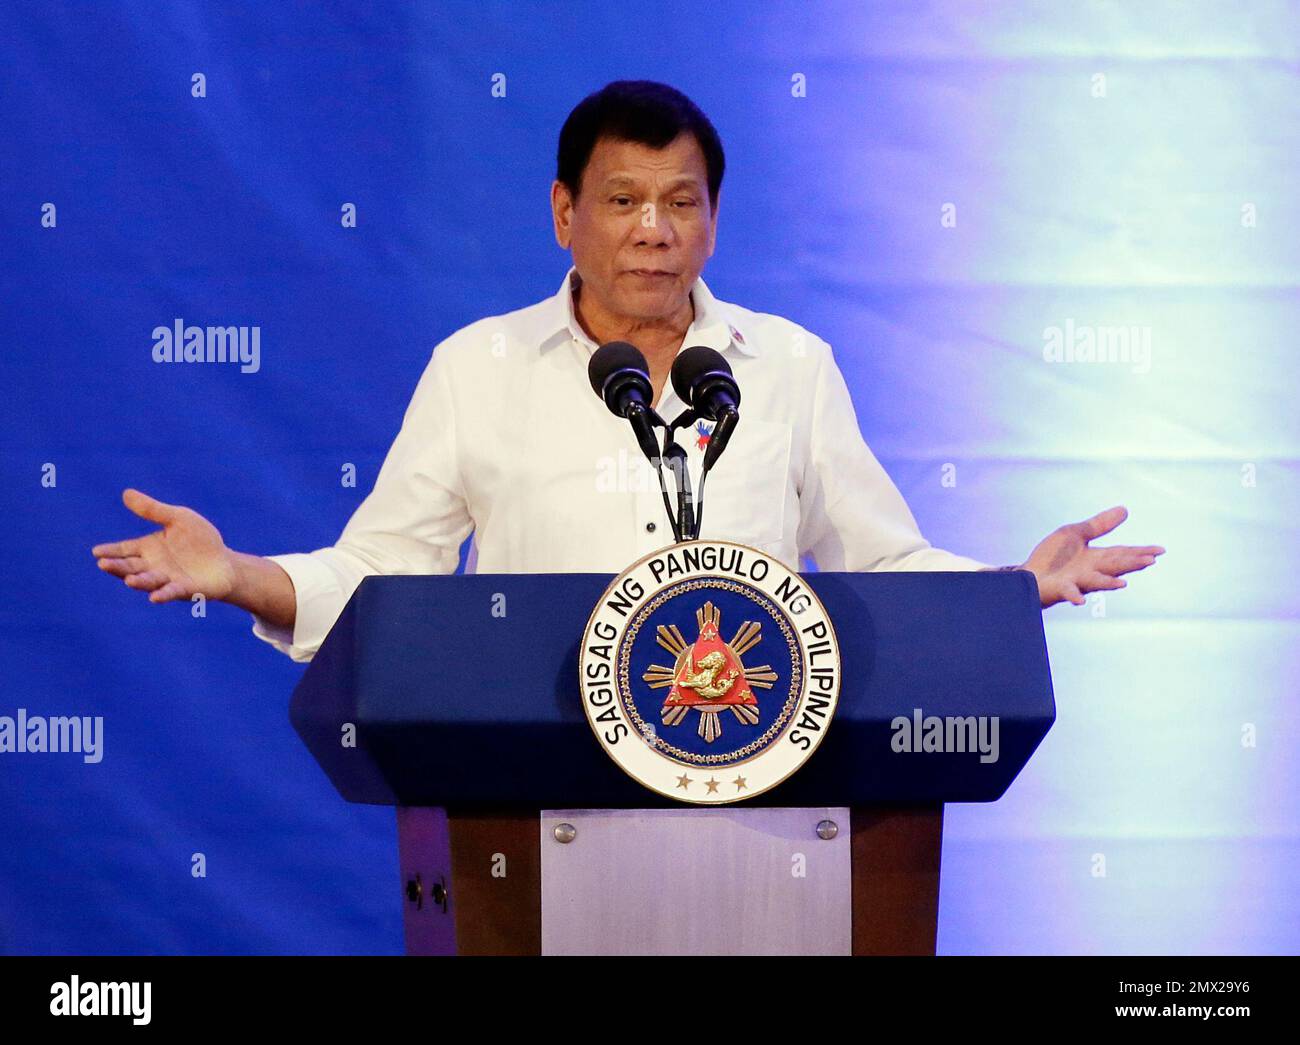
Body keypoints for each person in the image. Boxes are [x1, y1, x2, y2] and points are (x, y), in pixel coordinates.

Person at [92, 81, 1163, 664]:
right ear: (564, 214)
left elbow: (878, 566)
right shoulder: (478, 366)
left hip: (770, 786)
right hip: (539, 791)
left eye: (681, 201)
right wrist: (240, 575)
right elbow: (383, 573)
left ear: (711, 220)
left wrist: (1014, 590)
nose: (653, 230)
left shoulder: (789, 366)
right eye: (621, 200)